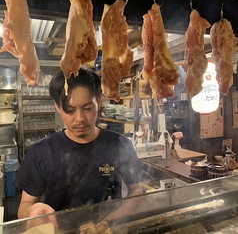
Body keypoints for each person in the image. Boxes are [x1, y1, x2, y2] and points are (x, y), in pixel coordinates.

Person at [13, 68, 142, 222]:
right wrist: (33, 211)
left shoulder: (119, 144)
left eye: (88, 108)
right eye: (70, 110)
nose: (80, 118)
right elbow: (24, 206)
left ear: (99, 102)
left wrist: (111, 221)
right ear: (57, 107)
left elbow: (136, 190)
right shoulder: (40, 152)